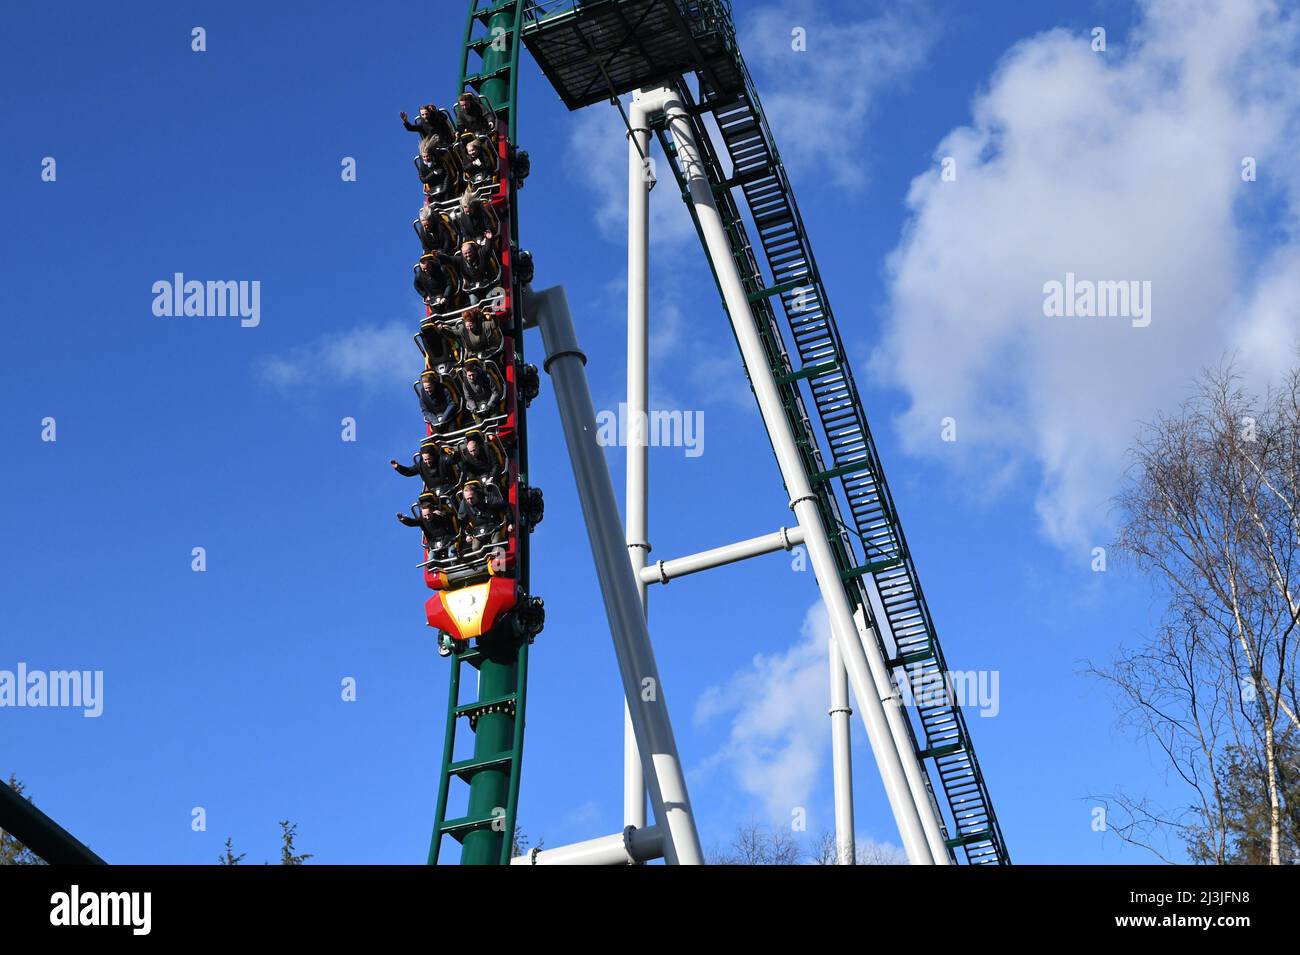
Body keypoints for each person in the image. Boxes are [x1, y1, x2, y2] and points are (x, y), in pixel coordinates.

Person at [396, 492, 459, 561]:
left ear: (432, 511)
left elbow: (450, 515)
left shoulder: (441, 513)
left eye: (429, 514)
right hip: (434, 543)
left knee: (451, 555)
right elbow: (414, 522)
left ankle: (455, 563)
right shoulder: (422, 519)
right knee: (430, 561)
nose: (427, 517)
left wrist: (442, 514)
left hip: (448, 540)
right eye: (425, 515)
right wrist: (404, 520)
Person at [391, 439, 459, 501]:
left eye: (429, 459)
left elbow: (453, 460)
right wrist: (398, 467)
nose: (427, 461)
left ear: (434, 456)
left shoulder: (442, 459)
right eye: (425, 459)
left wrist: (453, 453)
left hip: (449, 488)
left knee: (445, 498)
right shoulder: (421, 465)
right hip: (433, 491)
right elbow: (409, 471)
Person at [456, 481, 507, 552]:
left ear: (476, 494)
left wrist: (511, 522)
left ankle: (497, 559)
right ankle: (487, 559)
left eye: (471, 498)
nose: (469, 501)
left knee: (496, 544)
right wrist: (467, 534)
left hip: (494, 527)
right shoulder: (464, 504)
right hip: (478, 531)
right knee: (476, 548)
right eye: (467, 499)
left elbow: (504, 505)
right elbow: (461, 521)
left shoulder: (486, 497)